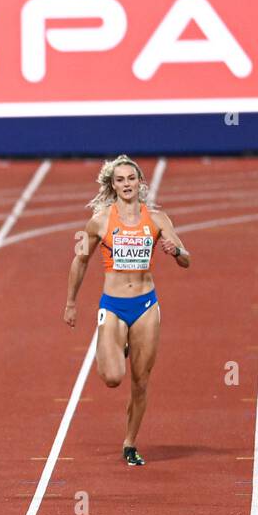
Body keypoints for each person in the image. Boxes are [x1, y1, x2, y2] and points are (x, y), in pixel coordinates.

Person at [63, 154, 190, 465]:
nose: (126, 184)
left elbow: (187, 258)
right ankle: (112, 348)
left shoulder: (158, 219)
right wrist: (70, 302)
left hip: (146, 305)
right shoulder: (100, 221)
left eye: (130, 178)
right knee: (112, 378)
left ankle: (130, 443)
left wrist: (176, 252)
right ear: (112, 185)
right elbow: (81, 260)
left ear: (140, 182)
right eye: (119, 180)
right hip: (114, 304)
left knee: (141, 381)